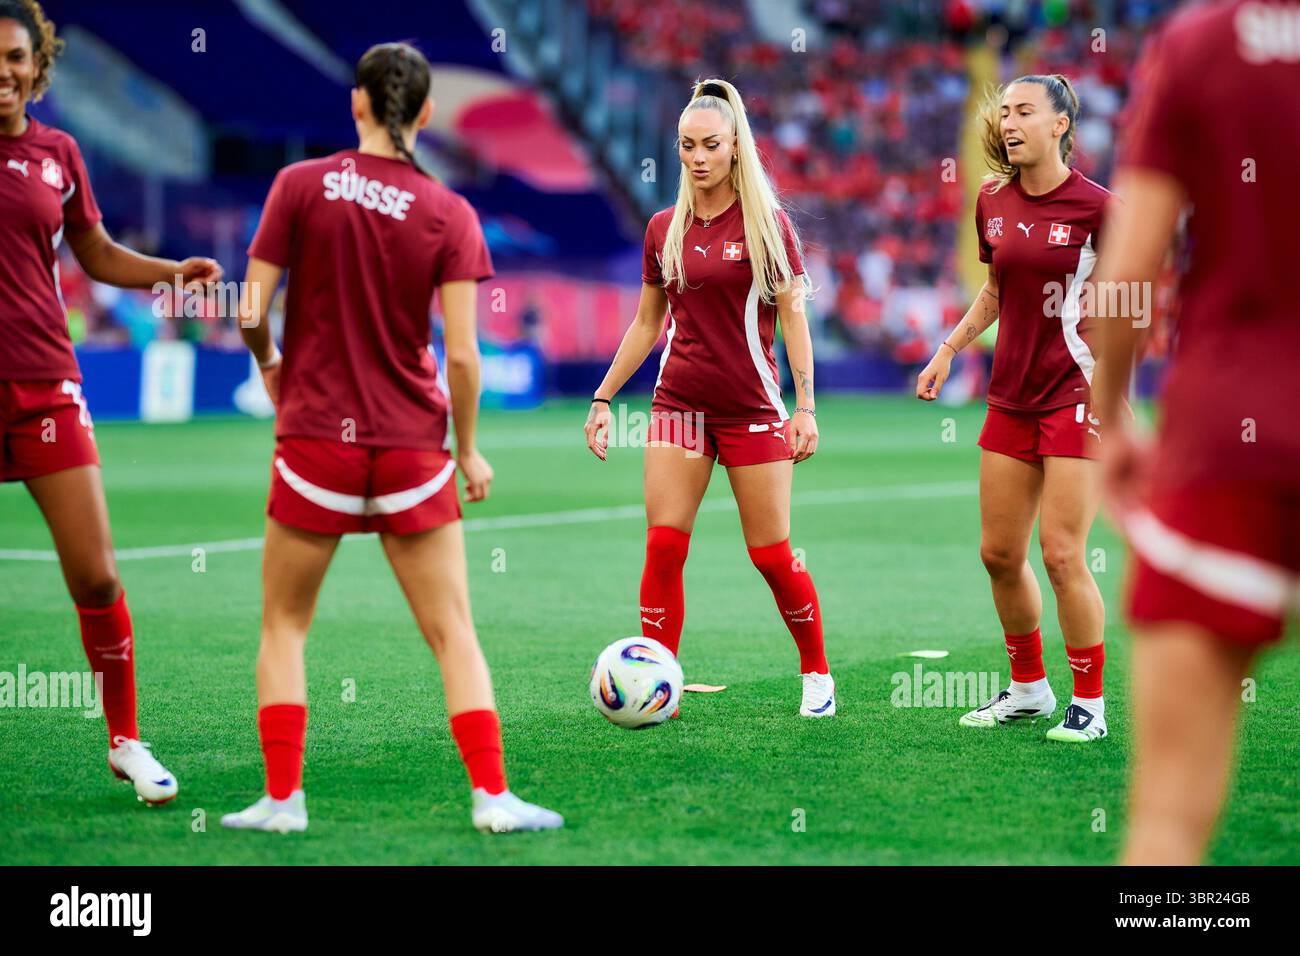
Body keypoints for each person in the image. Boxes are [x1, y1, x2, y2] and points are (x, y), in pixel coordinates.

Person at [222, 42, 562, 834]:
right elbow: (467, 356)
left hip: (315, 439)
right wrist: (468, 448)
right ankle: (492, 798)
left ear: (359, 105)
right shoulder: (450, 211)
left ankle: (283, 802)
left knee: (284, 625)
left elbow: (248, 309)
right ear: (428, 114)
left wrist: (271, 364)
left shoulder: (298, 186)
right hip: (412, 445)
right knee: (453, 634)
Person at [1091, 0, 1300, 864]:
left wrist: (1110, 415)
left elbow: (1132, 269)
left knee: (1170, 821)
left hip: (1230, 435)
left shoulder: (1201, 42)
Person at [0, 0, 221, 803]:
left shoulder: (59, 153)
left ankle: (124, 740)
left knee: (95, 578)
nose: (3, 71)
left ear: (38, 66)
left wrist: (169, 272)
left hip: (44, 388)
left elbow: (93, 252)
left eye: (17, 58)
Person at [583, 78, 835, 717]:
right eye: (686, 146)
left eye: (710, 145)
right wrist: (604, 398)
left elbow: (794, 319)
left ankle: (816, 674)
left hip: (754, 410)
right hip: (678, 409)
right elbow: (647, 325)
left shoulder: (768, 225)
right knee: (664, 545)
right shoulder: (662, 228)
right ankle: (651, 682)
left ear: (734, 148)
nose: (697, 158)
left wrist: (804, 407)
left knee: (772, 556)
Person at [916, 74, 1112, 742]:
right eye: (1005, 113)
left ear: (1061, 124)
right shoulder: (992, 200)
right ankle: (1029, 689)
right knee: (999, 553)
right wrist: (947, 349)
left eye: (1026, 111)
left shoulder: (1097, 208)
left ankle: (1090, 703)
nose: (1010, 122)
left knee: (1061, 553)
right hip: (1011, 397)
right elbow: (996, 290)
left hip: (1076, 396)